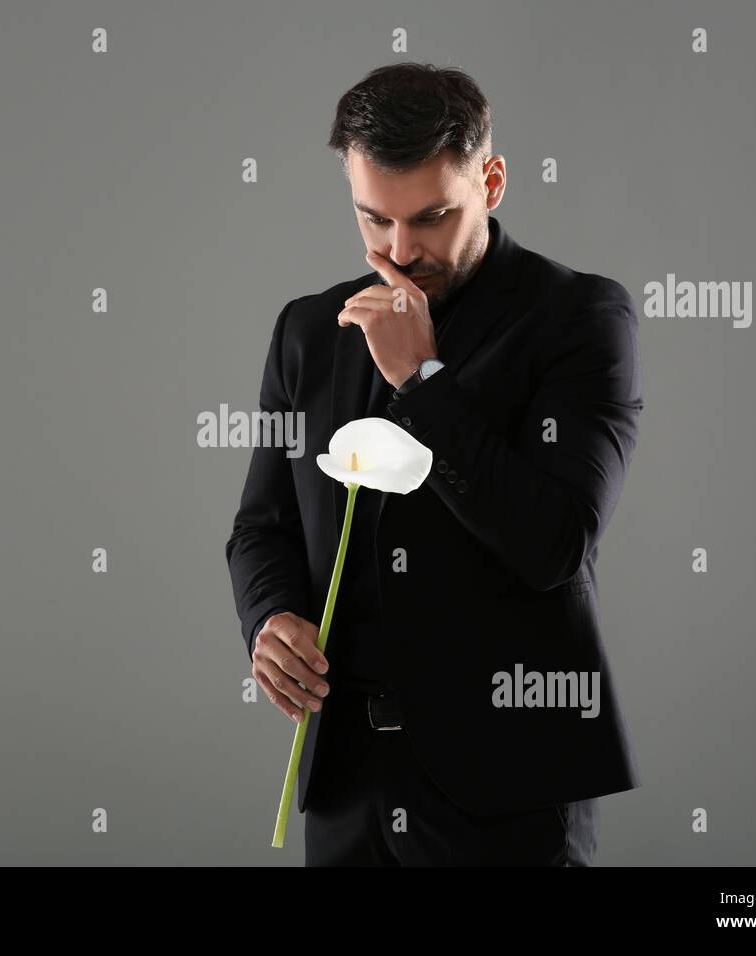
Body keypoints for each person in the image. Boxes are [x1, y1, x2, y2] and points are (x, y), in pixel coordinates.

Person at [225, 63, 645, 866]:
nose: (399, 249)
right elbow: (262, 525)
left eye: (431, 218)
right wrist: (269, 619)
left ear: (490, 180)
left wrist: (421, 383)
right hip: (345, 782)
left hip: (508, 788)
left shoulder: (581, 318)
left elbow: (554, 541)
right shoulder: (310, 331)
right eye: (373, 219)